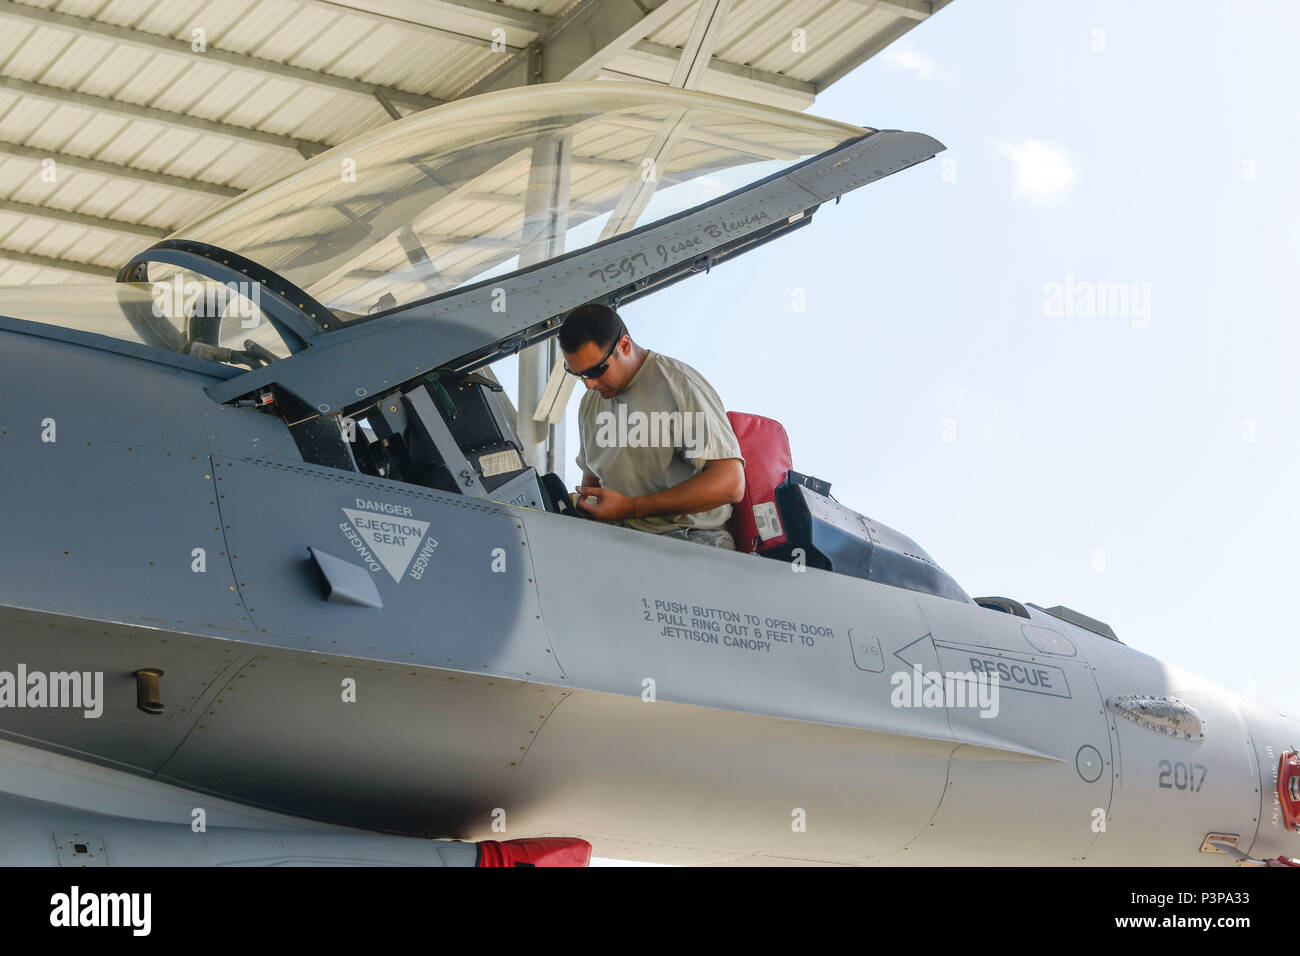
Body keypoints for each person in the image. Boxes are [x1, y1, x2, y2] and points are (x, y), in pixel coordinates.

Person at [558, 303, 745, 550]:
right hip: (620, 543)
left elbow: (730, 483)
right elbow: (592, 487)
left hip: (689, 541)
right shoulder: (590, 404)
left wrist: (630, 508)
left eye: (596, 370)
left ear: (624, 346)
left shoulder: (678, 387)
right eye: (578, 374)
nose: (589, 385)